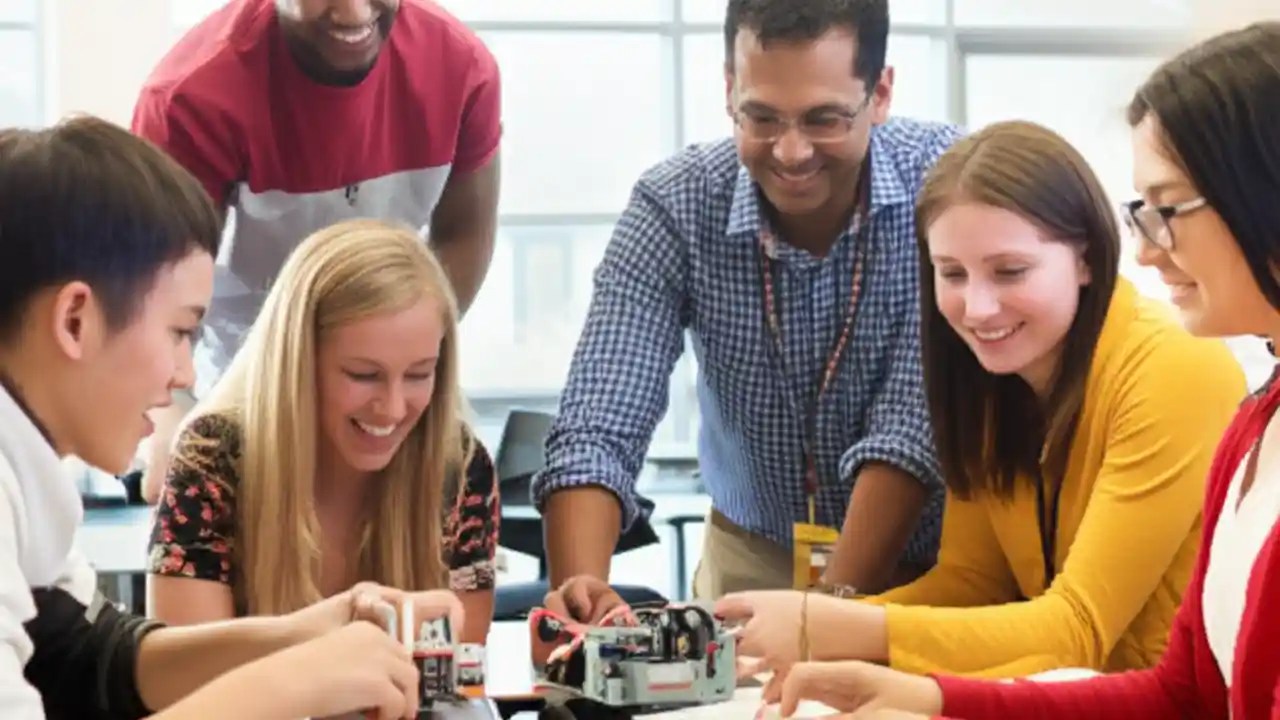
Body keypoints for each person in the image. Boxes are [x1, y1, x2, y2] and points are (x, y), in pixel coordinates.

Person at [759, 20, 1280, 720]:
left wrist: (834, 626)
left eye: (1167, 211)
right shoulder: (1255, 424)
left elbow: (1082, 632)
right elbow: (983, 585)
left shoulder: (1177, 367)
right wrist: (912, 687)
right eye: (950, 273)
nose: (1151, 252)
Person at [0, 115, 462, 720]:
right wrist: (289, 686)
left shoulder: (29, 480)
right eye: (180, 331)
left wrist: (309, 634)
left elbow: (89, 658)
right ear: (75, 321)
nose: (185, 374)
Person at [534, 0, 963, 619]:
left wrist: (821, 621)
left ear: (881, 92)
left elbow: (909, 433)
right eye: (760, 116)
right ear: (730, 88)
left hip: (933, 566)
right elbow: (601, 416)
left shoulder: (945, 182)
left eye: (824, 119)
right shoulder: (676, 203)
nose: (790, 152)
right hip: (753, 556)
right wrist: (581, 591)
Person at [131, 0, 502, 504]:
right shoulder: (190, 96)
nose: (353, 12)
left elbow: (464, 235)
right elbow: (160, 293)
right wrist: (169, 410)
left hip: (387, 359)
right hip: (246, 373)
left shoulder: (461, 66)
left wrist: (404, 368)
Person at [146, 218, 499, 645]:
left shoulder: (460, 468)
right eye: (363, 375)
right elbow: (190, 680)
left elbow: (456, 674)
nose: (392, 407)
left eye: (419, 375)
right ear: (296, 362)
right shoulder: (213, 456)